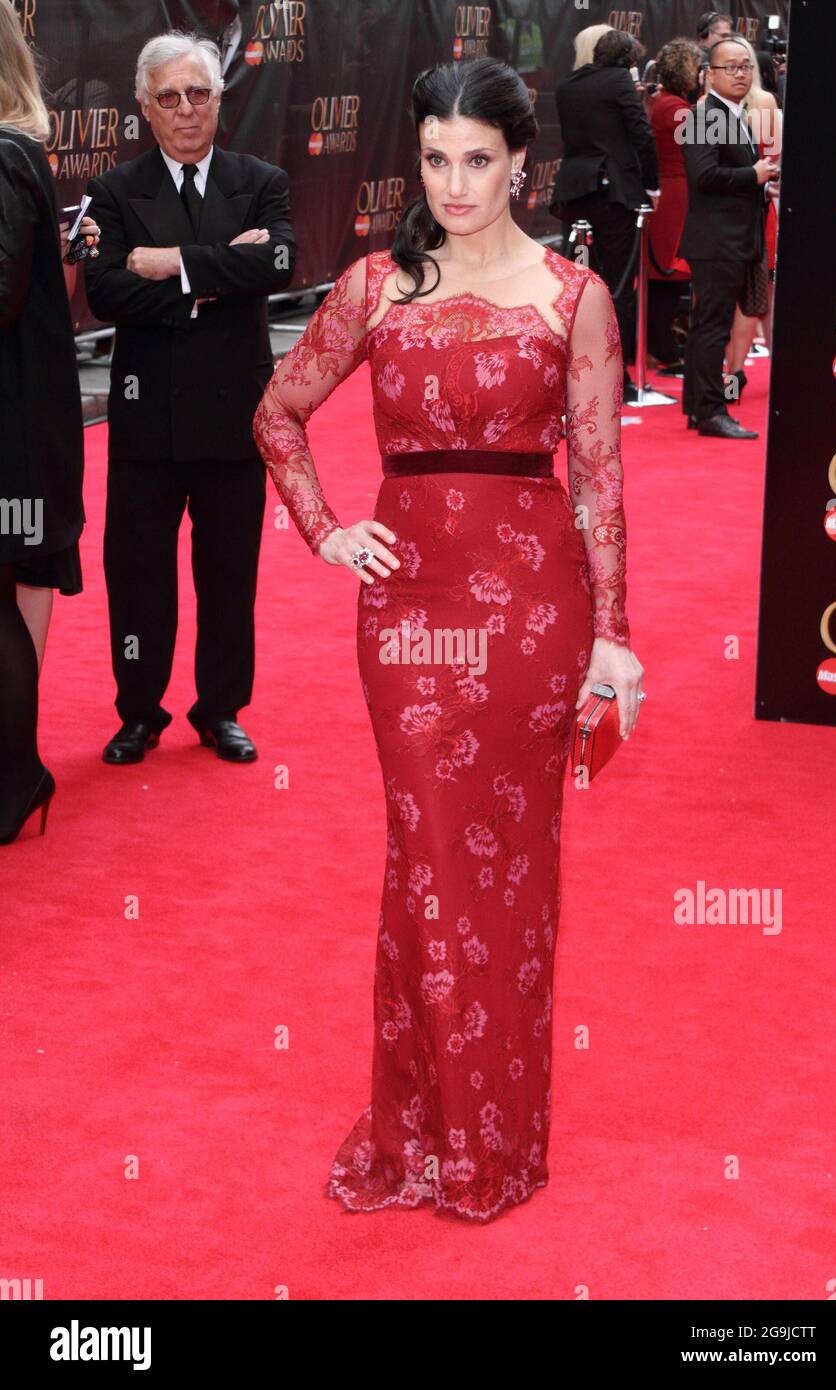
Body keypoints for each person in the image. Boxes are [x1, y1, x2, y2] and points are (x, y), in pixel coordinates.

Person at [254, 58, 645, 1222]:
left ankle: (489, 1139)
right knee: (425, 854)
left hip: (533, 609)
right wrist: (326, 531)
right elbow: (276, 411)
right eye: (435, 158)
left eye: (477, 158)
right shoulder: (376, 286)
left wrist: (611, 639)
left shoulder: (573, 295)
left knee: (513, 869)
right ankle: (417, 1130)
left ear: (521, 160)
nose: (455, 181)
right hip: (411, 611)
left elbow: (598, 481)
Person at [84, 30, 295, 765]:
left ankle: (221, 708)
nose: (185, 110)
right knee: (138, 575)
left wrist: (172, 266)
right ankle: (139, 710)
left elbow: (276, 262)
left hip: (235, 416)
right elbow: (106, 291)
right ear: (144, 107)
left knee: (229, 574)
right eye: (169, 97)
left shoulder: (260, 179)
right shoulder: (114, 190)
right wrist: (215, 278)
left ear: (220, 99)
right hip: (146, 420)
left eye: (199, 94)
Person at [0, 0, 99, 844]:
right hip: (22, 420)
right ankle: (16, 769)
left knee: (19, 581)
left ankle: (17, 774)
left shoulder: (2, 156)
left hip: (15, 432)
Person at [551, 29, 660, 398]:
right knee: (618, 288)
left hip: (574, 190)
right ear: (629, 61)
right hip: (614, 193)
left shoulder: (567, 86)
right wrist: (652, 185)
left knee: (577, 288)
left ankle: (573, 377)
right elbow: (641, 134)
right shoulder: (618, 81)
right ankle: (621, 381)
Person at [678, 37, 778, 439]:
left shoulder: (734, 113)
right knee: (712, 327)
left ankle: (698, 407)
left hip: (732, 237)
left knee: (708, 325)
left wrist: (759, 186)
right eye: (731, 67)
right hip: (718, 241)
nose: (741, 73)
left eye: (746, 66)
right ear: (710, 74)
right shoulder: (706, 116)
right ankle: (711, 412)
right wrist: (752, 176)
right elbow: (703, 177)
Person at [723, 38, 782, 398]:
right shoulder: (766, 105)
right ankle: (741, 373)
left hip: (728, 214)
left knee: (730, 301)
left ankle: (732, 374)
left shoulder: (706, 107)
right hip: (759, 212)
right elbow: (773, 168)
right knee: (761, 299)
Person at [646, 38, 703, 367]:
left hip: (675, 193)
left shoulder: (667, 103)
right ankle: (660, 348)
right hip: (675, 197)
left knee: (667, 277)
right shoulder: (675, 108)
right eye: (698, 67)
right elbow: (708, 142)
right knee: (668, 275)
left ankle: (660, 344)